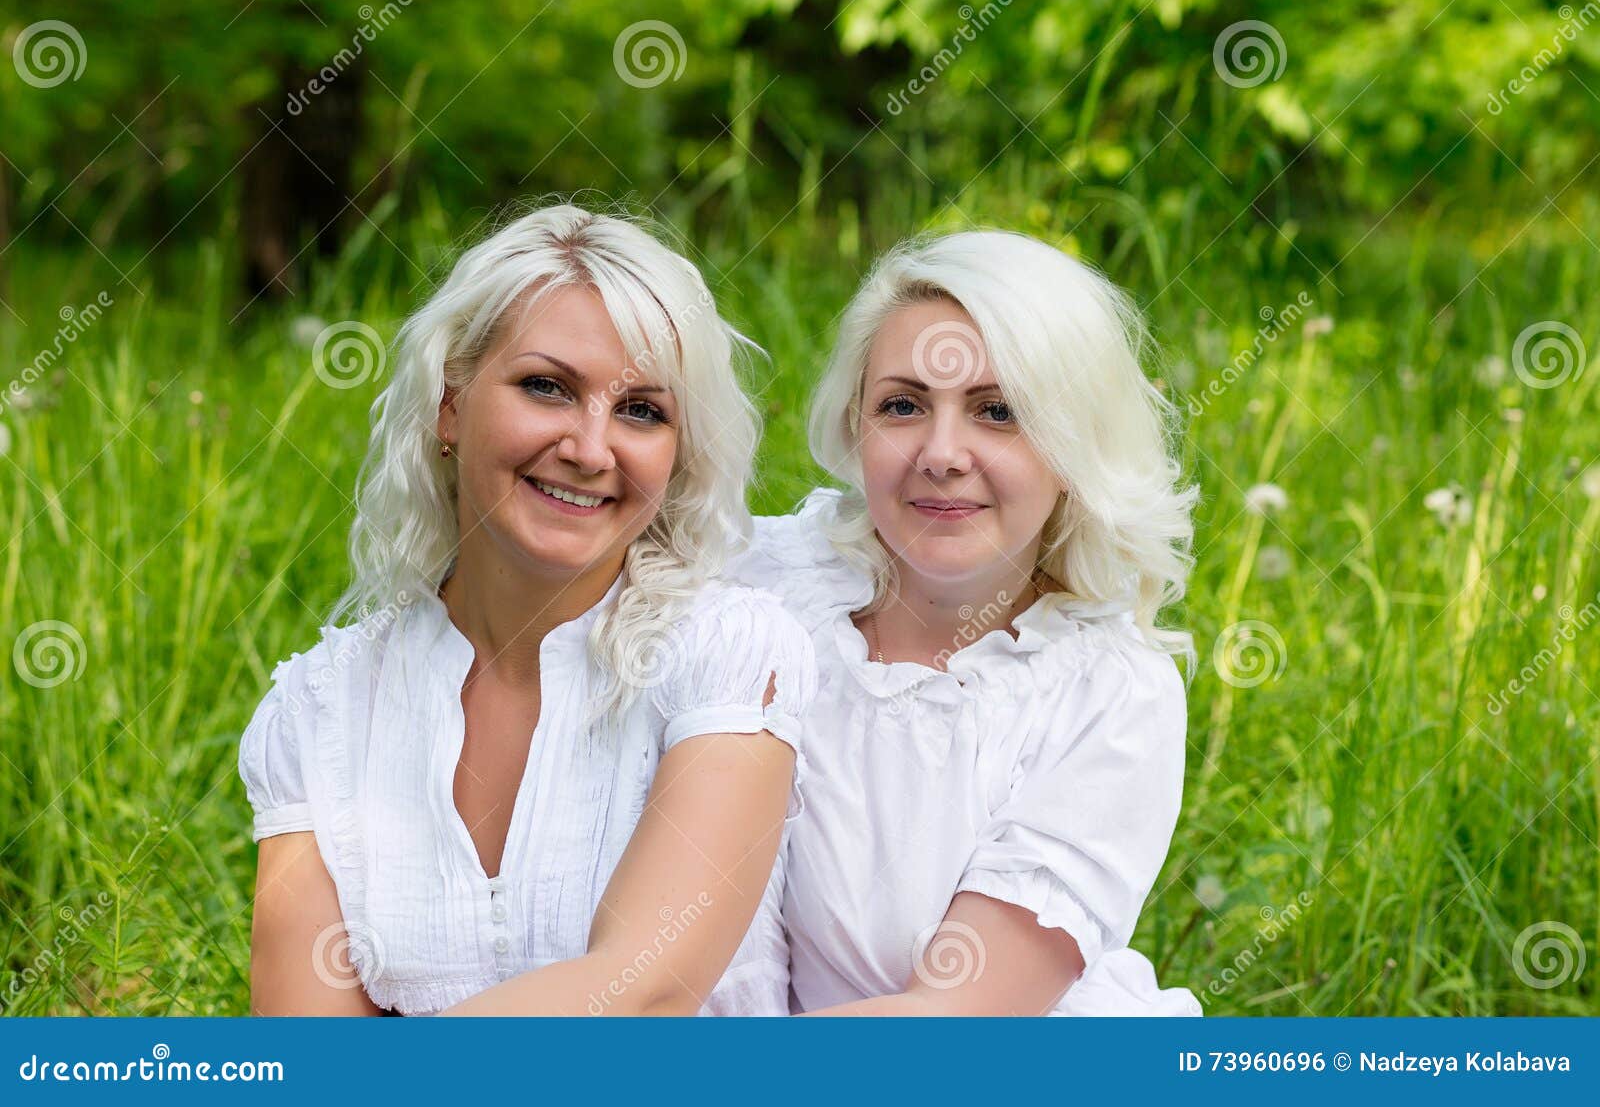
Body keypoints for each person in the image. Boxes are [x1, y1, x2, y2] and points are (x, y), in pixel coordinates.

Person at [240, 204, 814, 1016]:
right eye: (547, 387)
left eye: (642, 410)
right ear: (450, 404)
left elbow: (637, 993)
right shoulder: (320, 709)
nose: (589, 447)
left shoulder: (730, 654)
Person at [728, 229, 1202, 1015]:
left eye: (999, 411)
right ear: (857, 425)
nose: (943, 452)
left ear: (1073, 445)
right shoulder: (769, 581)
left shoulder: (1112, 695)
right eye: (904, 405)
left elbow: (947, 1022)